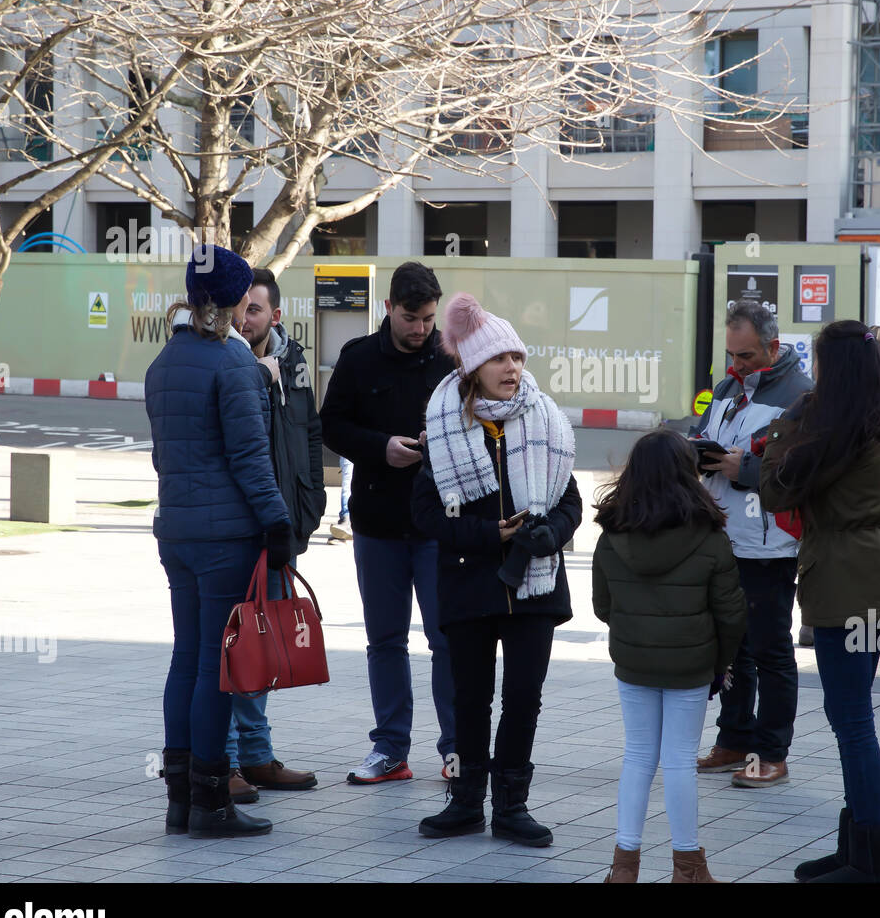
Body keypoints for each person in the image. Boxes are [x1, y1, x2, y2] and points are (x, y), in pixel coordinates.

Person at [411, 293, 581, 846]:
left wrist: (546, 534)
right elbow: (427, 513)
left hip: (535, 585)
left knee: (524, 697)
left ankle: (513, 806)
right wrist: (489, 534)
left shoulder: (546, 420)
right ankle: (464, 802)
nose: (512, 369)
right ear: (472, 369)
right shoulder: (444, 425)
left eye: (517, 358)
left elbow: (570, 502)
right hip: (468, 581)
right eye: (498, 359)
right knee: (469, 698)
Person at [760, 321, 880, 883]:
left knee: (852, 719)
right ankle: (854, 846)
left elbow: (776, 486)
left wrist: (790, 422)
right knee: (851, 713)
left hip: (845, 575)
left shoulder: (833, 428)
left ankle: (869, 862)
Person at [146, 244, 290, 839]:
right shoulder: (232, 363)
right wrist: (277, 522)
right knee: (214, 665)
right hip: (225, 535)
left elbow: (164, 456)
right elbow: (251, 458)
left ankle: (181, 799)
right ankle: (212, 802)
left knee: (185, 656)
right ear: (234, 300)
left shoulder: (163, 363)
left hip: (175, 530)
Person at [320, 262, 456, 784]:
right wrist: (381, 448)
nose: (420, 329)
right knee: (385, 640)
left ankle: (456, 749)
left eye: (427, 319)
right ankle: (391, 750)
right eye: (410, 318)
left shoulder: (452, 358)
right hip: (377, 522)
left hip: (439, 523)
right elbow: (331, 426)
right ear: (387, 309)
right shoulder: (358, 360)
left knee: (446, 639)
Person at [593, 430, 747, 884]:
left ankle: (624, 866)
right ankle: (688, 868)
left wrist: (634, 633)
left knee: (638, 756)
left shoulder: (611, 534)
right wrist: (720, 664)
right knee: (680, 760)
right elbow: (731, 613)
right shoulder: (710, 535)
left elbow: (603, 606)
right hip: (692, 664)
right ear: (688, 472)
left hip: (633, 661)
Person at [690, 300, 813, 787]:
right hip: (722, 538)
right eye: (731, 355)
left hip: (770, 546)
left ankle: (772, 750)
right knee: (731, 649)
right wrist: (695, 453)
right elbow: (701, 436)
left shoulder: (802, 396)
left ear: (773, 347)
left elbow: (801, 474)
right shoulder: (725, 388)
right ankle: (734, 739)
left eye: (745, 356)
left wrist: (744, 469)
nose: (735, 366)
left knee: (769, 649)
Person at [224, 267, 323, 803]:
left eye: (255, 311)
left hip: (282, 529)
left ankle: (257, 756)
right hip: (239, 532)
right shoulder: (231, 365)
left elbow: (309, 432)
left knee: (262, 646)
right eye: (241, 310)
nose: (245, 320)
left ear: (275, 316)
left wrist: (309, 507)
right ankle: (231, 761)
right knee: (234, 648)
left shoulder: (294, 362)